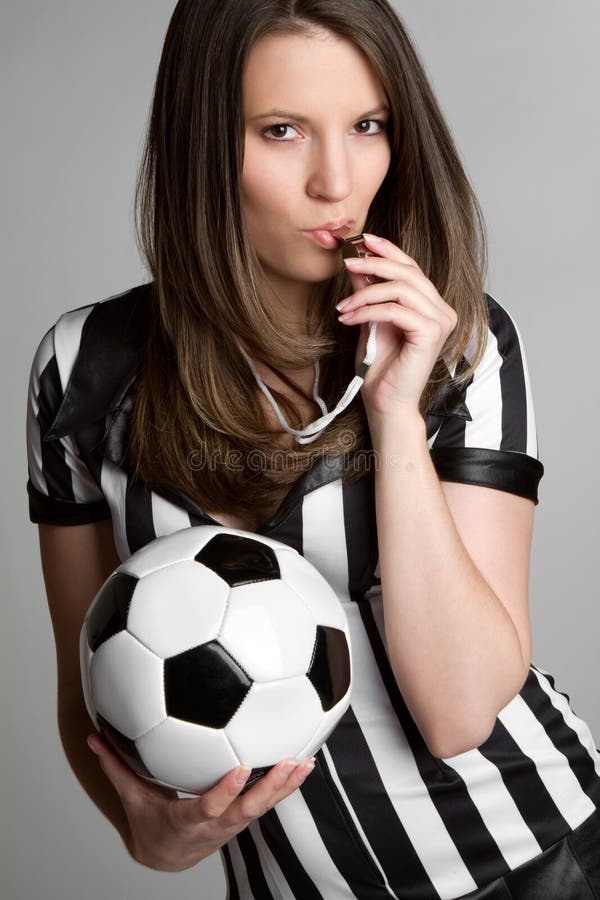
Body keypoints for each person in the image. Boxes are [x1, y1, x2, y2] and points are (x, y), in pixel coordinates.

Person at [25, 1, 600, 897]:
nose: (338, 179)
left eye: (368, 125)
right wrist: (161, 841)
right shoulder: (84, 369)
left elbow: (456, 714)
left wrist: (397, 415)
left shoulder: (458, 340)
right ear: (202, 141)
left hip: (546, 863)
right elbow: (89, 687)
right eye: (282, 130)